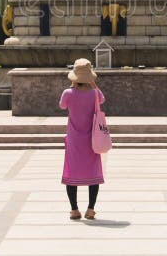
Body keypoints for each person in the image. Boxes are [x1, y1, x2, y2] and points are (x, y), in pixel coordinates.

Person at [59, 58, 105, 220]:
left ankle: (74, 210)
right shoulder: (95, 94)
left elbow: (62, 106)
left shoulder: (68, 93)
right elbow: (102, 99)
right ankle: (91, 209)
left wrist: (73, 86)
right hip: (92, 138)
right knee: (93, 171)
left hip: (74, 138)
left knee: (71, 172)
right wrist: (93, 85)